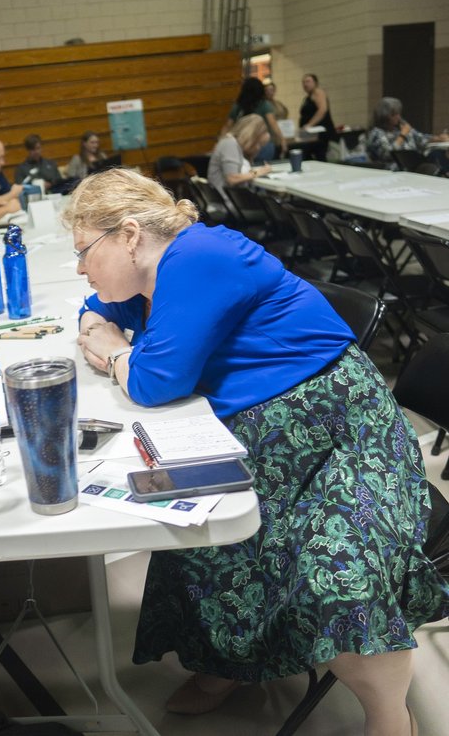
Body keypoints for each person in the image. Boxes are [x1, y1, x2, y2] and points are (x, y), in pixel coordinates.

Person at [67, 168, 449, 736]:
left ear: (127, 235)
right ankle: (235, 666)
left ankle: (390, 715)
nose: (80, 267)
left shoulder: (199, 257)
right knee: (201, 536)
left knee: (338, 577)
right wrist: (103, 331)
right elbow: (94, 308)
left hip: (340, 434)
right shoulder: (155, 273)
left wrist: (114, 353)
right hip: (262, 441)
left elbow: (154, 381)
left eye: (83, 251)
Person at [365, 97, 449, 170]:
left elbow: (420, 138)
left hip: (413, 164)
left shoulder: (400, 127)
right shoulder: (376, 133)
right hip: (393, 169)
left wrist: (437, 138)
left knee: (437, 155)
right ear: (384, 116)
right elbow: (387, 154)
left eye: (398, 113)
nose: (398, 117)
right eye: (394, 114)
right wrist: (402, 136)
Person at [220, 77, 286, 163]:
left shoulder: (238, 106)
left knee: (246, 170)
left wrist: (221, 143)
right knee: (262, 169)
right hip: (263, 145)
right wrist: (282, 140)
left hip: (243, 146)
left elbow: (227, 126)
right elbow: (273, 124)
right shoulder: (264, 105)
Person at [207, 114, 273, 195]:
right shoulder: (230, 143)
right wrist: (258, 172)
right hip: (227, 202)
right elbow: (232, 178)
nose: (257, 148)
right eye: (257, 143)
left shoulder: (233, 144)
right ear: (252, 136)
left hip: (234, 200)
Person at [298, 73, 335, 161]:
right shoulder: (307, 98)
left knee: (320, 157)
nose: (305, 84)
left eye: (308, 81)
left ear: (315, 83)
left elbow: (322, 110)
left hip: (320, 133)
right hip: (310, 134)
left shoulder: (318, 92)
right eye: (303, 82)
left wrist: (309, 125)